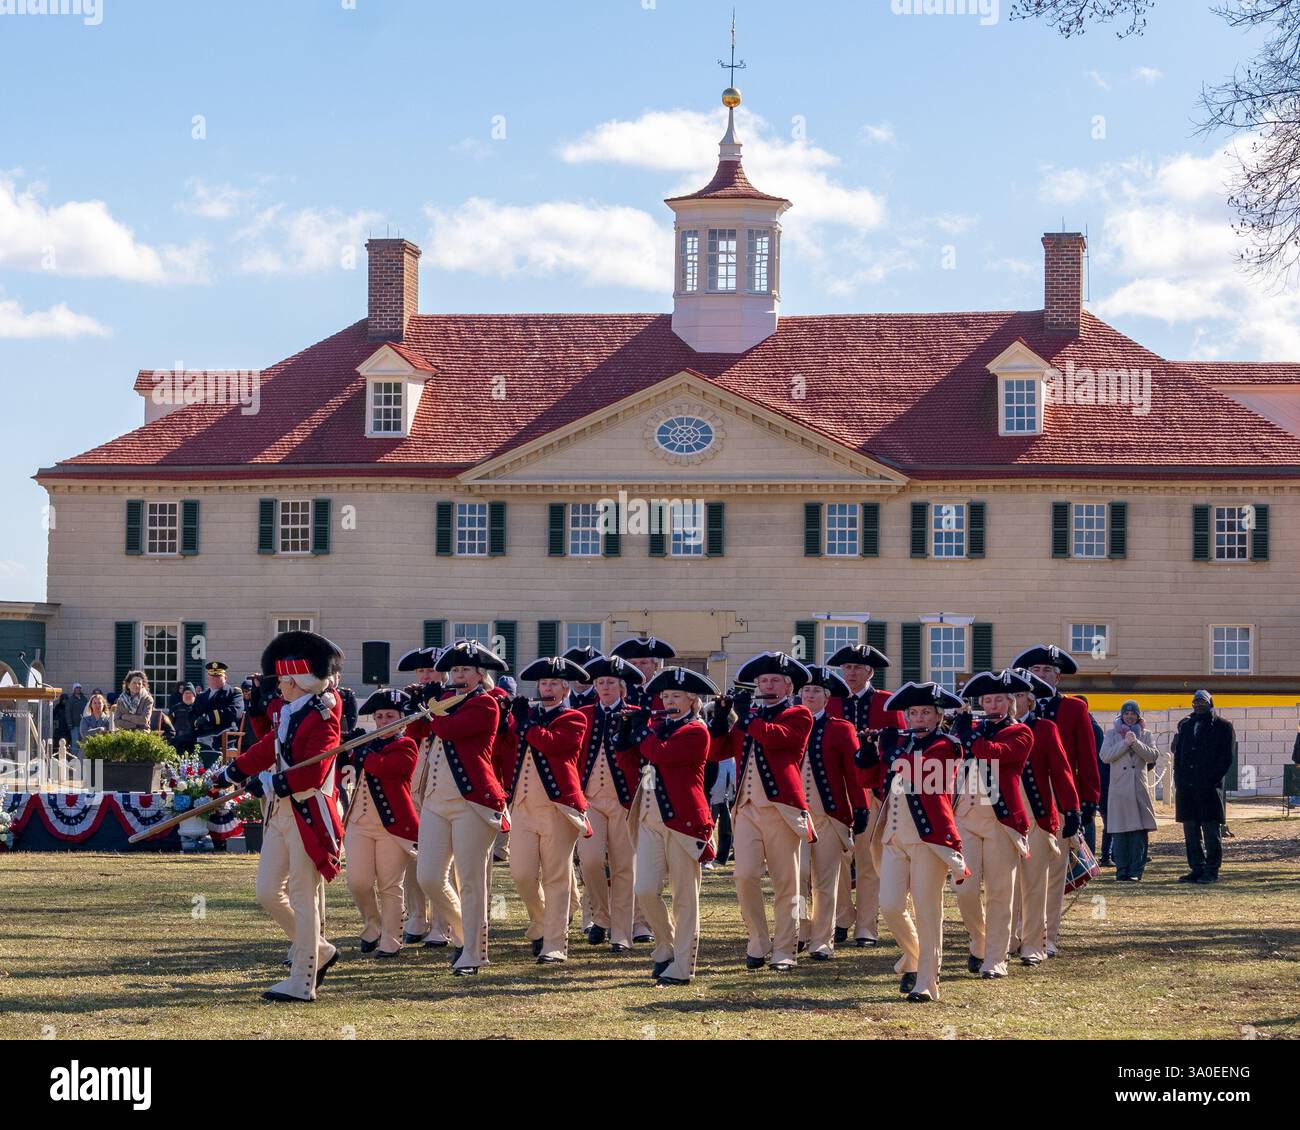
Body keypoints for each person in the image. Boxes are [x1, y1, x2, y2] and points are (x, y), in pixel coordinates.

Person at [209, 631, 345, 1002]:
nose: (279, 686)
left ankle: (303, 980)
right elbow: (267, 747)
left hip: (306, 812)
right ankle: (320, 948)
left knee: (303, 896)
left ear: (300, 683)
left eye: (285, 680)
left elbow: (313, 773)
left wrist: (271, 781)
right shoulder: (289, 712)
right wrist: (231, 774)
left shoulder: (323, 717)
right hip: (280, 813)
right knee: (268, 892)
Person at [857, 681, 968, 1003]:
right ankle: (915, 956)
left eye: (925, 713)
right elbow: (870, 780)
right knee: (890, 905)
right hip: (893, 836)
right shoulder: (900, 744)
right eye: (913, 713)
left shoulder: (948, 744)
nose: (918, 718)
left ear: (937, 717)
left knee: (927, 910)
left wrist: (890, 751)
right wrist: (867, 752)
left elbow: (924, 774)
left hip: (929, 839)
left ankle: (927, 982)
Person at [708, 651, 814, 973]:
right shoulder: (748, 718)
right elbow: (716, 751)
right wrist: (720, 719)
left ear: (787, 686)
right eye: (763, 680)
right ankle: (757, 940)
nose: (767, 684)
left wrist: (746, 718)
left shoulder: (799, 715)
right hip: (746, 808)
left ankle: (785, 949)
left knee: (786, 882)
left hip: (782, 808)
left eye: (774, 680)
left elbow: (775, 738)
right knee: (744, 876)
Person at [414, 640, 510, 975]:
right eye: (454, 669)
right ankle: (464, 935)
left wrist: (430, 704)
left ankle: (474, 951)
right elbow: (416, 730)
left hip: (473, 802)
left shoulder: (486, 704)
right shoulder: (444, 701)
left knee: (471, 880)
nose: (459, 674)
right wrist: (423, 704)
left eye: (466, 669)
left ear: (480, 674)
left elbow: (448, 729)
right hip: (436, 800)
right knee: (428, 876)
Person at [626, 666, 718, 985]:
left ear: (692, 700)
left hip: (684, 822)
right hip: (650, 818)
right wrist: (630, 729)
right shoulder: (658, 726)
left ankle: (683, 965)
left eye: (676, 696)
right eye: (664, 696)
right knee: (645, 890)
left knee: (684, 898)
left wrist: (642, 732)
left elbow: (661, 754)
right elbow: (636, 753)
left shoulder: (696, 731)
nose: (668, 701)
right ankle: (665, 946)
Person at [1011, 644, 1100, 957]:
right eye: (1035, 670)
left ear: (1058, 677)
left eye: (1047, 670)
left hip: (1058, 799)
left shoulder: (1073, 709)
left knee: (1052, 872)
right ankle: (1016, 933)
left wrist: (1088, 799)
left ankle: (1046, 937)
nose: (1041, 675)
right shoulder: (1012, 710)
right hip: (1016, 796)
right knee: (1017, 871)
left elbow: (1087, 757)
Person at [505, 656, 590, 963]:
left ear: (566, 690)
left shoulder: (574, 718)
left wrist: (525, 723)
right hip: (524, 807)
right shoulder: (527, 717)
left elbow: (555, 745)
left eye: (554, 683)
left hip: (558, 808)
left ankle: (555, 943)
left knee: (555, 877)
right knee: (522, 874)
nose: (547, 687)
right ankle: (541, 921)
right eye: (544, 683)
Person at [950, 670, 1034, 979]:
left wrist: (968, 735)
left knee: (1000, 892)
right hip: (966, 817)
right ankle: (979, 940)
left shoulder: (1020, 732)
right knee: (965, 889)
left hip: (1002, 821)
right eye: (987, 699)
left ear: (1011, 702)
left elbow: (994, 754)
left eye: (999, 698)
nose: (993, 704)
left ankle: (996, 958)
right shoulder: (971, 728)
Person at [826, 642, 903, 947]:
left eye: (857, 668)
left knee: (869, 859)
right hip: (837, 792)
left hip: (872, 791)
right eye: (846, 668)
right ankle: (843, 917)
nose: (851, 673)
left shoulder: (887, 703)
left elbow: (897, 751)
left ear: (870, 671)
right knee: (837, 859)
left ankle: (866, 926)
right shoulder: (830, 702)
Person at [339, 689, 420, 958]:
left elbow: (391, 769)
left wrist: (362, 753)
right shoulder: (365, 744)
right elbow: (341, 763)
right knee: (358, 882)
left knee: (389, 885)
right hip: (359, 823)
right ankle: (372, 925)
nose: (384, 721)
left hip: (392, 826)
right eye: (380, 716)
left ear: (402, 720)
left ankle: (391, 941)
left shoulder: (406, 745)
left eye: (390, 716)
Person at [1008, 670, 1079, 965]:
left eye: (1020, 695)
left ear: (1031, 700)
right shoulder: (989, 730)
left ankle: (1036, 944)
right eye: (1009, 695)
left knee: (1036, 882)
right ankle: (1006, 940)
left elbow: (1062, 772)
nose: (1013, 701)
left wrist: (1073, 809)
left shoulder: (1046, 728)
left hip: (1038, 814)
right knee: (1005, 885)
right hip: (1002, 817)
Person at [796, 666, 865, 961]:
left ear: (826, 697)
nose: (810, 695)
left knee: (825, 881)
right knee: (796, 879)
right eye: (806, 690)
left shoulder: (841, 728)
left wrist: (860, 807)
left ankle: (822, 940)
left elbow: (854, 773)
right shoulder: (788, 724)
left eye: (816, 691)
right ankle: (798, 930)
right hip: (792, 815)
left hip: (829, 816)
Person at [575, 654, 644, 952]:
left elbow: (646, 757)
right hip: (589, 799)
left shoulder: (638, 713)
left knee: (624, 866)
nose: (605, 687)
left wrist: (646, 795)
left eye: (611, 683)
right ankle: (600, 917)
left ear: (622, 688)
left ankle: (622, 931)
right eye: (601, 682)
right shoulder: (584, 714)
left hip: (623, 801)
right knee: (590, 861)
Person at [1171, 690, 1235, 885]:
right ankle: (1196, 868)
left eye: (1203, 702)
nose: (1199, 705)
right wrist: (1179, 779)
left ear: (1210, 703)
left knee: (1210, 830)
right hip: (1187, 788)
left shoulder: (1224, 727)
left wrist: (1211, 779)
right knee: (1190, 831)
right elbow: (1178, 755)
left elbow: (1226, 758)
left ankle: (1211, 870)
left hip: (1209, 787)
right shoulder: (1186, 726)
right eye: (1196, 702)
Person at [1099, 699, 1158, 882]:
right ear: (1121, 715)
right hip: (1119, 790)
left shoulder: (1146, 734)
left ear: (1138, 716)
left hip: (1138, 789)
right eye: (1126, 713)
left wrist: (1136, 743)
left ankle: (1136, 870)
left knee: (1138, 833)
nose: (1130, 717)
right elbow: (1105, 756)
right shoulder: (1111, 734)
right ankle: (1122, 870)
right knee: (1120, 832)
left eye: (1133, 714)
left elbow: (1152, 755)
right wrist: (1125, 743)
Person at [190, 661, 244, 769]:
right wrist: (196, 721)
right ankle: (183, 777)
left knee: (204, 742)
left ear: (225, 678)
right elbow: (192, 714)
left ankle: (210, 777)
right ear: (208, 678)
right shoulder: (202, 696)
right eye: (212, 676)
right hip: (203, 730)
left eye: (218, 676)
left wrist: (208, 718)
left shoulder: (233, 693)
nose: (215, 679)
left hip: (224, 732)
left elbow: (234, 713)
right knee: (178, 741)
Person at [167, 683, 199, 752]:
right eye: (186, 693)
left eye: (190, 693)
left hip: (195, 740)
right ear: (182, 695)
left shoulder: (200, 708)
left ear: (194, 695)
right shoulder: (175, 708)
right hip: (178, 739)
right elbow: (169, 725)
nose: (187, 695)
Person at [64, 685, 88, 750]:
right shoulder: (71, 700)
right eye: (77, 688)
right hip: (74, 725)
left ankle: (82, 758)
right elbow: (68, 712)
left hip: (83, 724)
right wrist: (69, 723)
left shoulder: (84, 699)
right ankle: (74, 758)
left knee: (83, 741)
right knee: (75, 742)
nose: (78, 689)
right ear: (74, 689)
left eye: (80, 688)